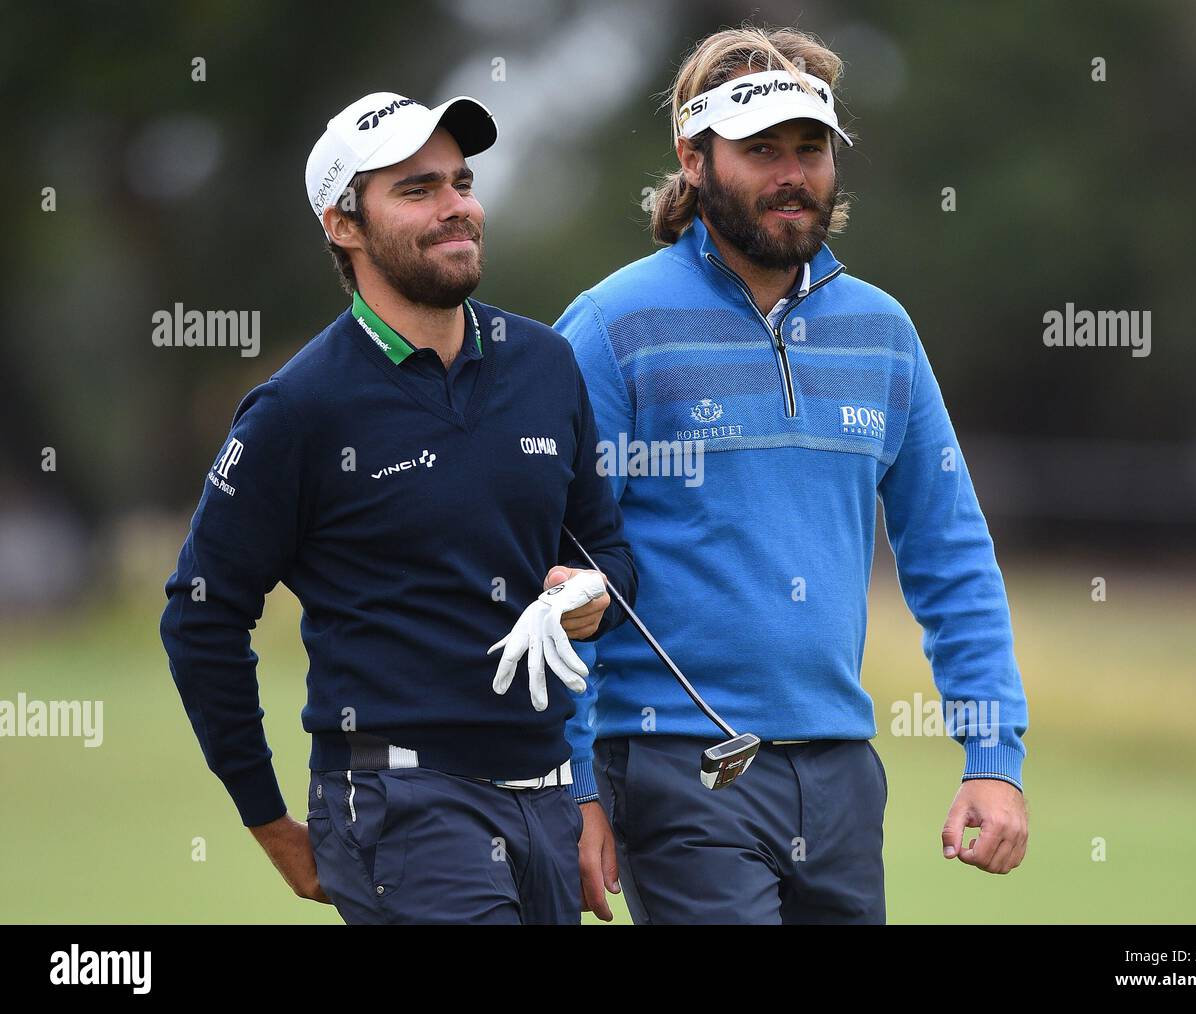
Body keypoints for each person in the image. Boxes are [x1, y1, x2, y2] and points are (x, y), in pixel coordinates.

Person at [556, 27, 1029, 924]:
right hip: (679, 761)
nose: (791, 172)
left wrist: (990, 757)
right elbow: (557, 570)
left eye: (808, 148)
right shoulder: (613, 326)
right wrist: (575, 786)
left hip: (842, 769)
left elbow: (952, 553)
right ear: (694, 160)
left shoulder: (882, 331)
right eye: (760, 149)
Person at [160, 91, 635, 924]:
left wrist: (590, 596)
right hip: (399, 802)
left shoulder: (546, 365)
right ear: (343, 224)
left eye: (460, 181)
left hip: (546, 799)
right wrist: (271, 823)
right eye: (416, 190)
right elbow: (201, 615)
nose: (457, 207)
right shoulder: (298, 408)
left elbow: (608, 553)